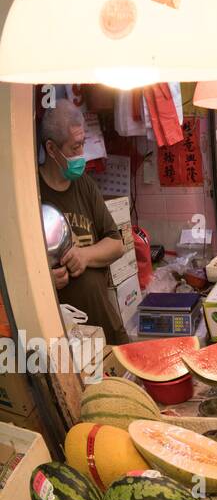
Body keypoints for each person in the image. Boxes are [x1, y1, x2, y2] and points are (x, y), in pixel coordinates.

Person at [38, 100, 131, 345]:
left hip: (105, 326)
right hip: (61, 338)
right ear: (51, 148)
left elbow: (116, 244)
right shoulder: (31, 192)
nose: (81, 155)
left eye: (83, 145)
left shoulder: (85, 185)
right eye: (75, 147)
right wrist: (45, 279)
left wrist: (85, 255)